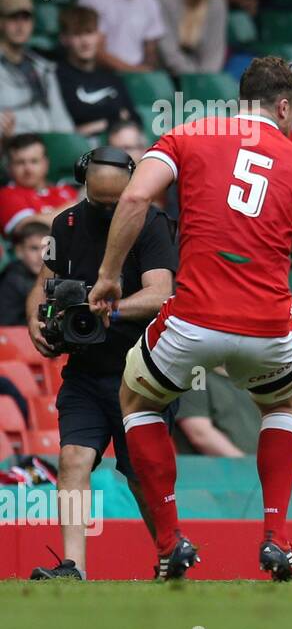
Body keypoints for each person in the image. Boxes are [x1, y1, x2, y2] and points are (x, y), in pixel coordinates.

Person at [87, 56, 292, 582]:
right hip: (270, 329)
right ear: (285, 106)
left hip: (192, 320)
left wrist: (111, 274)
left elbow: (134, 194)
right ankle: (276, 540)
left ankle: (169, 542)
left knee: (138, 399)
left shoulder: (191, 134)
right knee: (281, 405)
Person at [25, 147, 177, 580]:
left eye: (117, 203)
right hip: (86, 368)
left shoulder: (150, 223)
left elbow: (161, 294)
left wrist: (106, 310)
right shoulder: (65, 224)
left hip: (139, 372)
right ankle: (73, 567)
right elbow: (43, 284)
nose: (110, 212)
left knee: (141, 476)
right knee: (72, 458)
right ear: (83, 184)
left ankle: (169, 556)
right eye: (100, 203)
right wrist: (38, 323)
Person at [1, 0, 76, 136]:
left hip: (47, 146)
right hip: (12, 147)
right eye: (13, 18)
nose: (20, 25)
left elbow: (61, 120)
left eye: (26, 18)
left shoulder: (43, 67)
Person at [54, 6, 138, 135]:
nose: (85, 42)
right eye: (77, 34)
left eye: (89, 32)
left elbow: (136, 120)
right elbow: (69, 131)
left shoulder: (111, 77)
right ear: (64, 39)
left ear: (98, 36)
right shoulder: (57, 77)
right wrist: (112, 119)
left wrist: (98, 124)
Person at [0, 134, 81, 236]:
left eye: (34, 161)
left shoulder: (66, 190)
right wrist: (77, 208)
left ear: (46, 164)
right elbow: (28, 228)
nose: (28, 169)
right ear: (9, 167)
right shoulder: (6, 195)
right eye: (20, 163)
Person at [174, 367, 264, 456]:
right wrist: (247, 466)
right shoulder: (195, 375)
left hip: (259, 466)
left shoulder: (256, 377)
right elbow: (200, 434)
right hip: (213, 468)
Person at [0, 221, 48, 325]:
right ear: (19, 251)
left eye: (46, 248)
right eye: (34, 248)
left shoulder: (55, 276)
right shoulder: (12, 280)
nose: (41, 256)